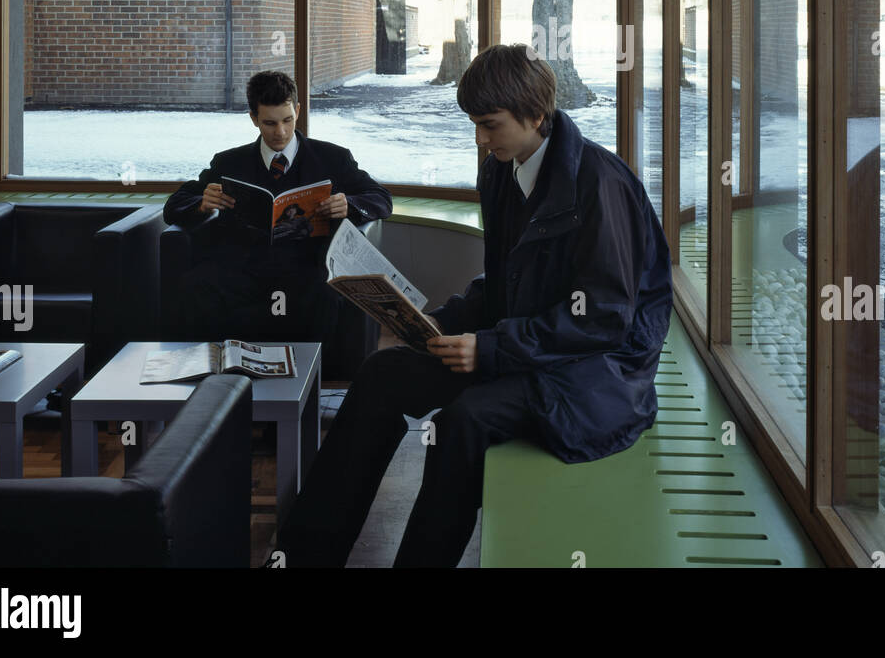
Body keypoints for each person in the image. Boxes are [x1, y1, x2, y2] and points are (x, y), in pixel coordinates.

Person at [275, 43, 673, 568]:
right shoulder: (503, 171)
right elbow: (506, 282)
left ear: (536, 115)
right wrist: (441, 321)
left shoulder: (600, 184)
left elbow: (603, 317)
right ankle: (304, 557)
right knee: (380, 374)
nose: (481, 140)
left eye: (490, 125)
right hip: (532, 349)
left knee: (464, 422)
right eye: (474, 125)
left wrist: (490, 349)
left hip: (598, 374)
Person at [164, 70, 393, 379]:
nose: (281, 132)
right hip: (243, 269)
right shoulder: (229, 162)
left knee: (324, 295)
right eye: (270, 123)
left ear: (297, 110)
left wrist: (348, 204)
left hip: (306, 269)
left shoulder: (333, 159)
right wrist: (201, 203)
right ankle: (208, 388)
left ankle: (306, 389)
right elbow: (174, 207)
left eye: (287, 119)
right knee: (195, 286)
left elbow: (381, 198)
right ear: (253, 118)